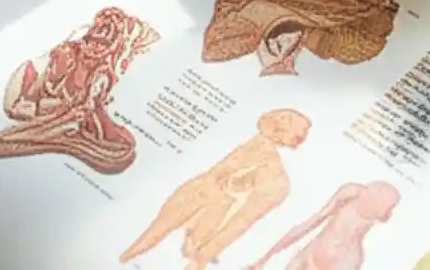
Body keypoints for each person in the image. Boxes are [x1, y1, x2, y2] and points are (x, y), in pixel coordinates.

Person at [121, 109, 312, 270]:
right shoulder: (264, 156)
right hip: (202, 196)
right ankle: (127, 256)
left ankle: (129, 256)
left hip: (213, 207)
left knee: (161, 238)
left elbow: (240, 220)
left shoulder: (273, 173)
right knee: (153, 235)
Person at [248, 180, 400, 270]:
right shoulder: (352, 192)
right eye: (389, 207)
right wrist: (263, 260)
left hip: (342, 260)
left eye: (390, 208)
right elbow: (312, 222)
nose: (389, 213)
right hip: (312, 252)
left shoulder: (353, 258)